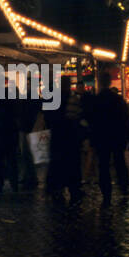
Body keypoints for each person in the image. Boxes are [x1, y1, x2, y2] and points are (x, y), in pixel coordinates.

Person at [89, 70, 129, 204]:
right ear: (109, 82)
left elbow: (92, 121)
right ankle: (123, 187)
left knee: (103, 165)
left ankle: (106, 193)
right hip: (117, 136)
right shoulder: (117, 99)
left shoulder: (96, 100)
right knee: (119, 161)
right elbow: (126, 118)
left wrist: (92, 138)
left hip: (102, 138)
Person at [45, 75, 84, 205]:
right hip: (71, 138)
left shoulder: (53, 99)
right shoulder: (73, 99)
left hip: (57, 137)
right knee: (72, 164)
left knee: (57, 164)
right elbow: (78, 116)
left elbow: (48, 118)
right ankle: (74, 189)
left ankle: (56, 189)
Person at [15, 72, 43, 190]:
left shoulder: (30, 97)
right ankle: (30, 176)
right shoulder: (34, 97)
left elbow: (24, 112)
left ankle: (30, 177)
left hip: (26, 128)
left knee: (27, 154)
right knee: (27, 154)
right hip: (28, 127)